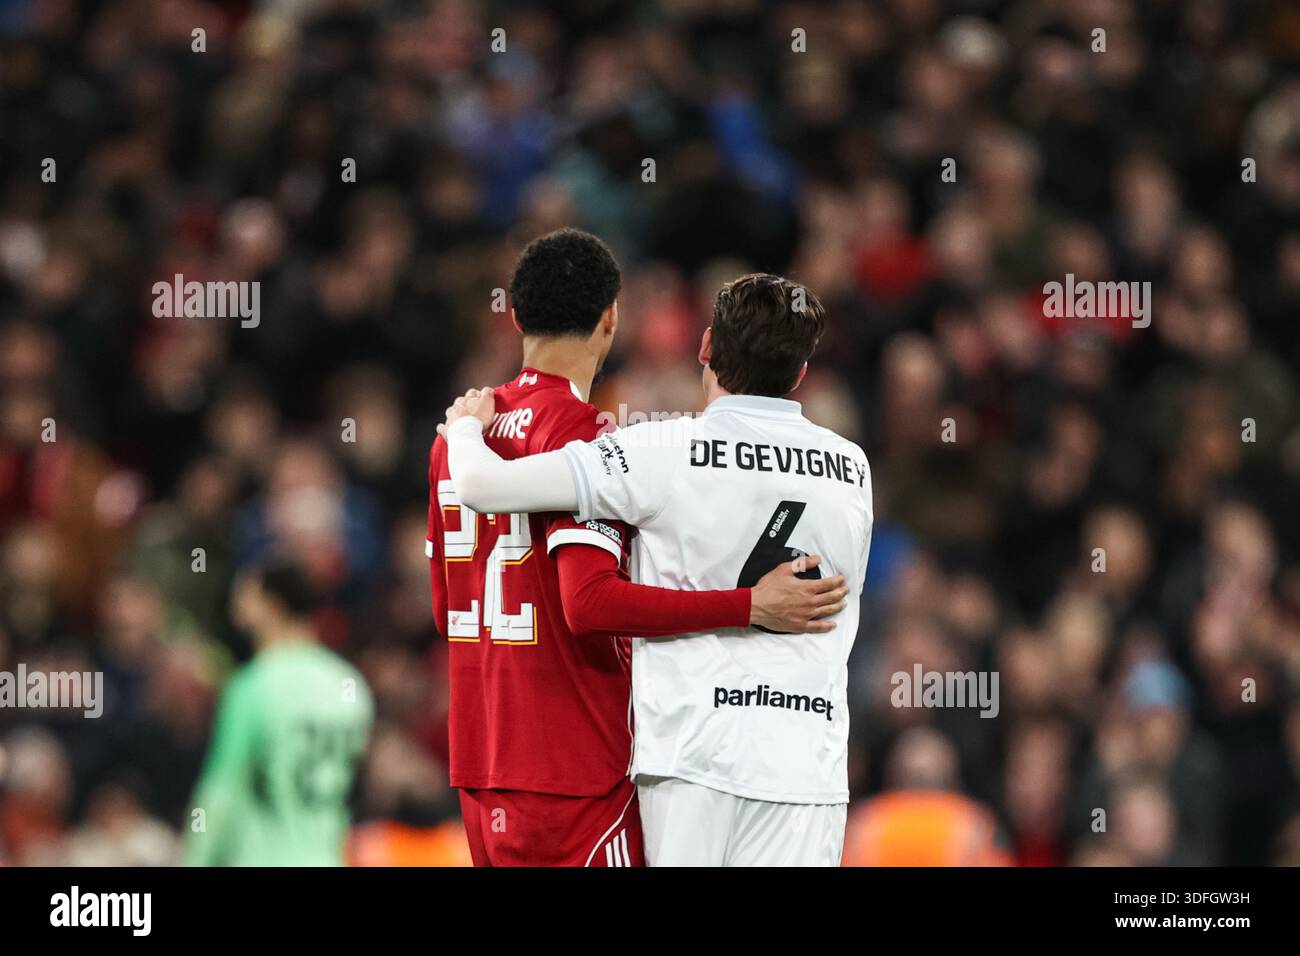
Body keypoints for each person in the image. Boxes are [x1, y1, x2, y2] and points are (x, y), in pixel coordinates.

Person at [427, 232, 846, 867]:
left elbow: (445, 613)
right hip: (575, 765)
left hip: (482, 767)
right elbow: (588, 603)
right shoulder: (584, 436)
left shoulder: (459, 441)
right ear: (610, 320)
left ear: (514, 314)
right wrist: (746, 605)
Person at [185, 561, 373, 866]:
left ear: (270, 604)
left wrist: (195, 861)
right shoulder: (349, 685)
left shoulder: (254, 686)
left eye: (245, 593)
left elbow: (221, 792)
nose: (236, 602)